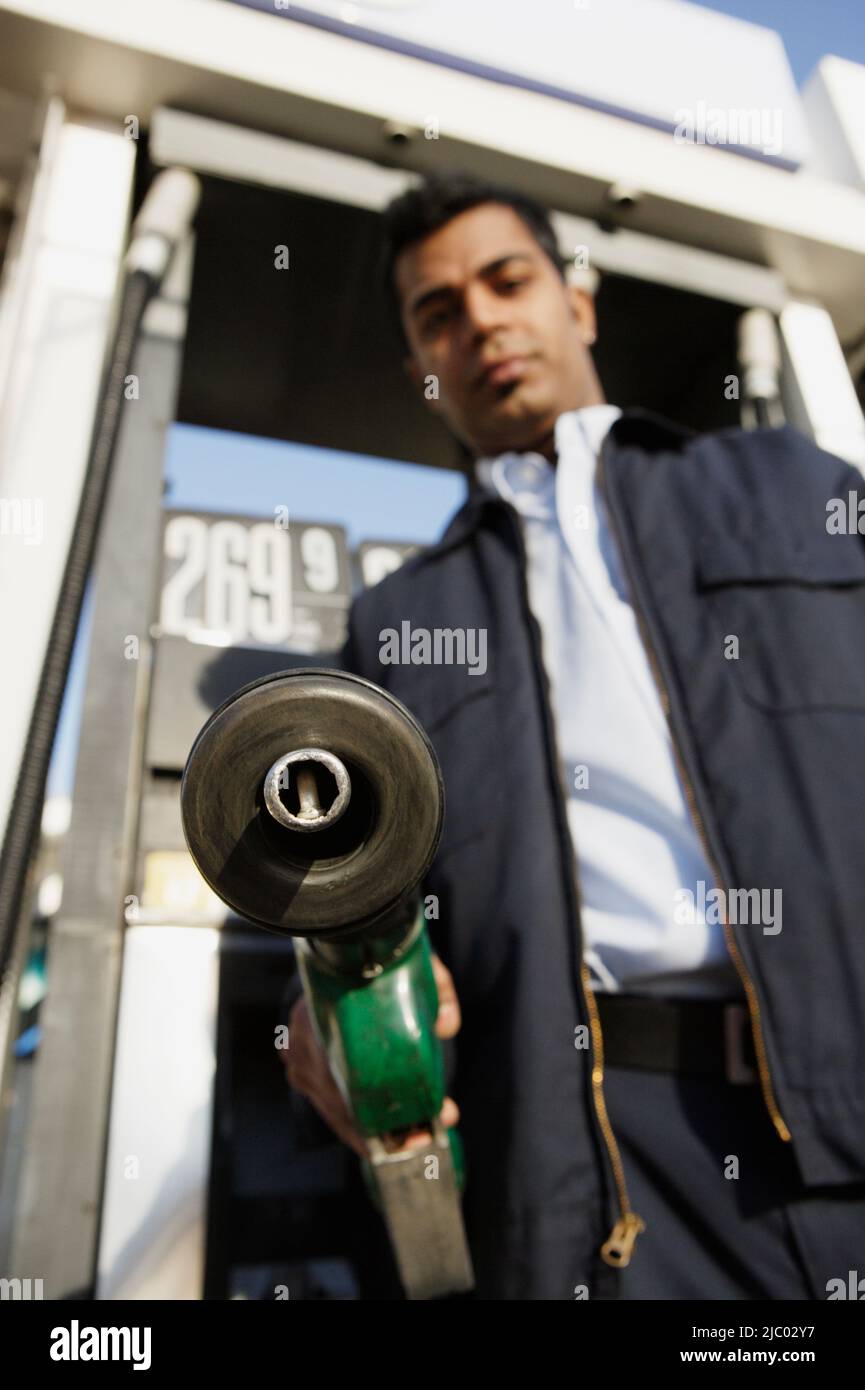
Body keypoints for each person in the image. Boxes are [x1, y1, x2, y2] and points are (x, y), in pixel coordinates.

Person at [283, 170, 865, 1300]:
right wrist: (317, 998)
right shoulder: (400, 621)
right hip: (610, 1153)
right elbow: (344, 888)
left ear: (578, 301)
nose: (483, 322)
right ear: (420, 367)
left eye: (508, 281)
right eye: (436, 313)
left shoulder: (800, 486)